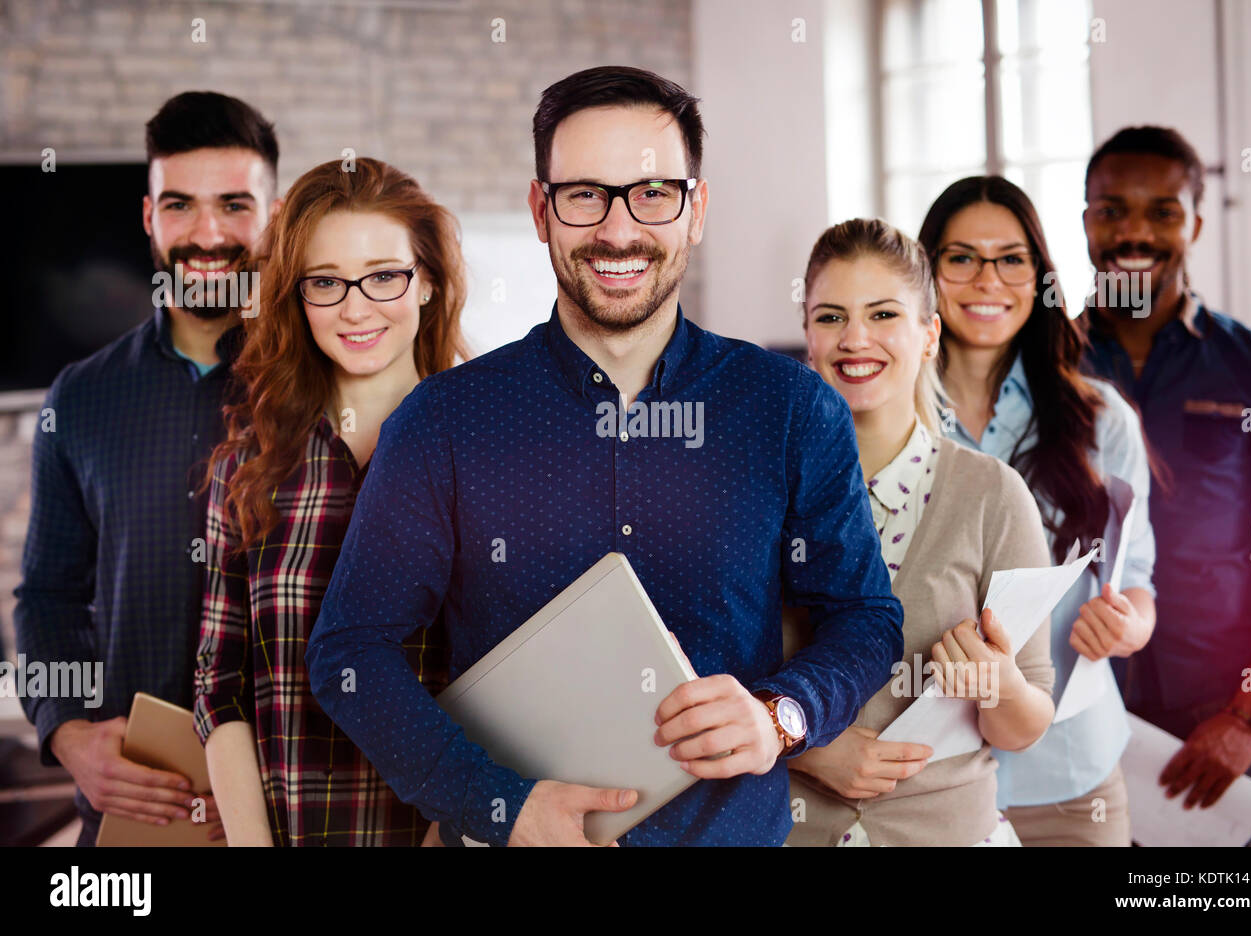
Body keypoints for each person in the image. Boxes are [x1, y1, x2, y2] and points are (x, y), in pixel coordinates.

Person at [305, 65, 905, 847]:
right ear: (540, 210)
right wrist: (498, 802)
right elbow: (350, 652)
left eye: (653, 193)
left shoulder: (791, 408)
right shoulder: (443, 422)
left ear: (696, 211)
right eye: (585, 194)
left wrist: (782, 716)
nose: (619, 231)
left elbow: (864, 617)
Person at [13, 91, 280, 846]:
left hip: (293, 806)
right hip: (140, 808)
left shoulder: (325, 382)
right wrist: (67, 734)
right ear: (148, 218)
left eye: (234, 204)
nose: (207, 233)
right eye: (179, 205)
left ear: (275, 213)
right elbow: (48, 597)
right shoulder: (83, 395)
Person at [193, 158, 465, 846]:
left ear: (427, 281)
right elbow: (218, 684)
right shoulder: (247, 469)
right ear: (296, 295)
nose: (355, 306)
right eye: (325, 282)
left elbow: (518, 684)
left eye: (383, 275)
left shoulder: (490, 456)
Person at [784, 218, 1055, 847]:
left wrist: (1000, 684)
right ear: (808, 337)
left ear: (929, 335)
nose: (855, 339)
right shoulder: (760, 491)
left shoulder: (993, 497)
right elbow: (709, 678)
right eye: (830, 318)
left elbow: (1027, 719)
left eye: (882, 315)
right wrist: (799, 745)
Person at [918, 175, 1158, 846]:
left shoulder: (1103, 421)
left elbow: (1136, 578)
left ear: (1040, 277)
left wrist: (1125, 627)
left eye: (1011, 259)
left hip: (1067, 776)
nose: (986, 280)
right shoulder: (883, 422)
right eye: (960, 257)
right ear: (927, 273)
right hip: (922, 779)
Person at [1080, 126, 1251, 844]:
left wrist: (1248, 714)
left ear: (1196, 223)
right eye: (1111, 209)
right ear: (1086, 221)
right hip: (1074, 706)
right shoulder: (1046, 366)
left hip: (1221, 707)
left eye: (1162, 211)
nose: (1133, 232)